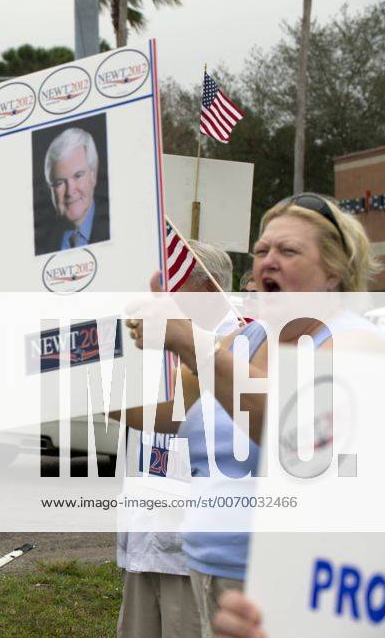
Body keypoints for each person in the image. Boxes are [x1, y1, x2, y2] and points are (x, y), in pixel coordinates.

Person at [122, 193, 382, 637]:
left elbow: (292, 434)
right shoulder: (247, 341)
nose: (268, 260)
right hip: (209, 574)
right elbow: (165, 413)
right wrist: (50, 366)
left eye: (288, 250)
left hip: (296, 587)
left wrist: (190, 342)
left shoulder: (356, 342)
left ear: (335, 270)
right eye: (262, 250)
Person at [116, 241, 234, 638]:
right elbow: (131, 411)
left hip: (192, 552)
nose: (158, 295)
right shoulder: (156, 343)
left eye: (171, 283)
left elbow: (171, 409)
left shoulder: (234, 344)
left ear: (209, 288)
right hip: (145, 541)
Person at [37, 127, 110, 254]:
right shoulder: (42, 245)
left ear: (93, 175)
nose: (70, 192)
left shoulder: (114, 226)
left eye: (78, 176)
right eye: (59, 182)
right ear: (51, 189)